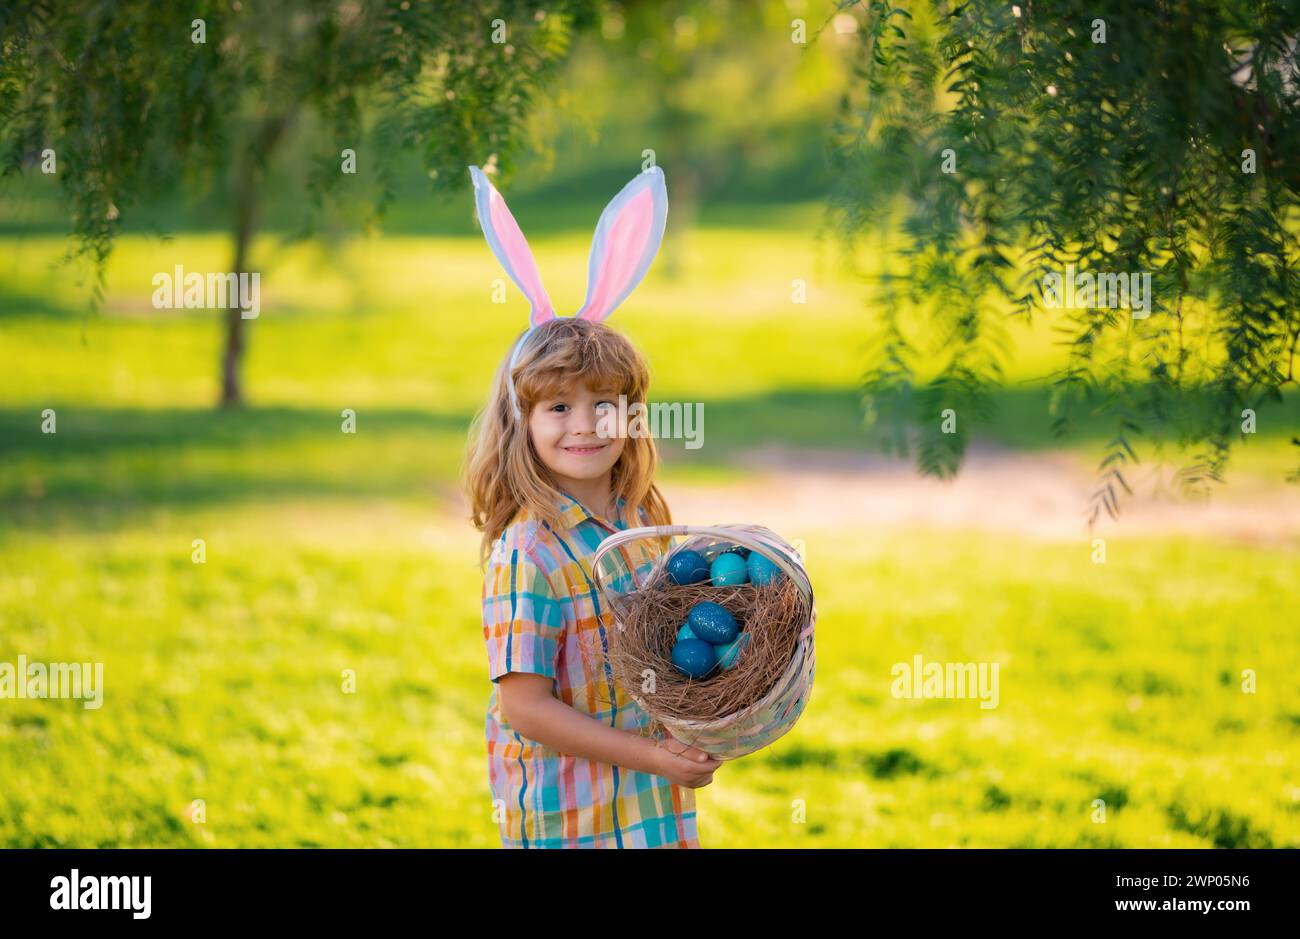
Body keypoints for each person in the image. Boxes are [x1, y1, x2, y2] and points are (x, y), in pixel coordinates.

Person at [462, 164, 719, 848]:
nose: (586, 424)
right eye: (558, 406)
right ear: (522, 419)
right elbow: (526, 707)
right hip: (570, 820)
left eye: (605, 403)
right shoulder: (531, 553)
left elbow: (665, 653)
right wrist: (654, 758)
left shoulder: (638, 525)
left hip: (649, 813)